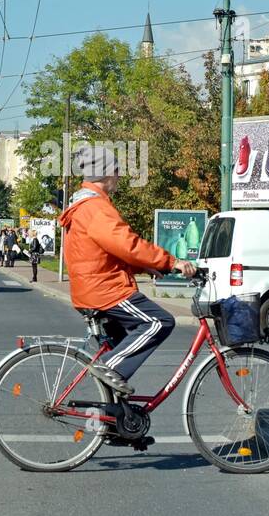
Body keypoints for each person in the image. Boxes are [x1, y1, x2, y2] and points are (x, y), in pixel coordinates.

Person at [59, 144, 195, 395]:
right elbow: (127, 243)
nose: (120, 176)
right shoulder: (96, 208)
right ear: (106, 173)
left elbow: (110, 251)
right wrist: (170, 261)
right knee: (159, 321)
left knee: (119, 362)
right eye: (118, 170)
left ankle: (116, 428)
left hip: (92, 287)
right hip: (104, 290)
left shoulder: (85, 205)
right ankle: (109, 367)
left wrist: (144, 266)